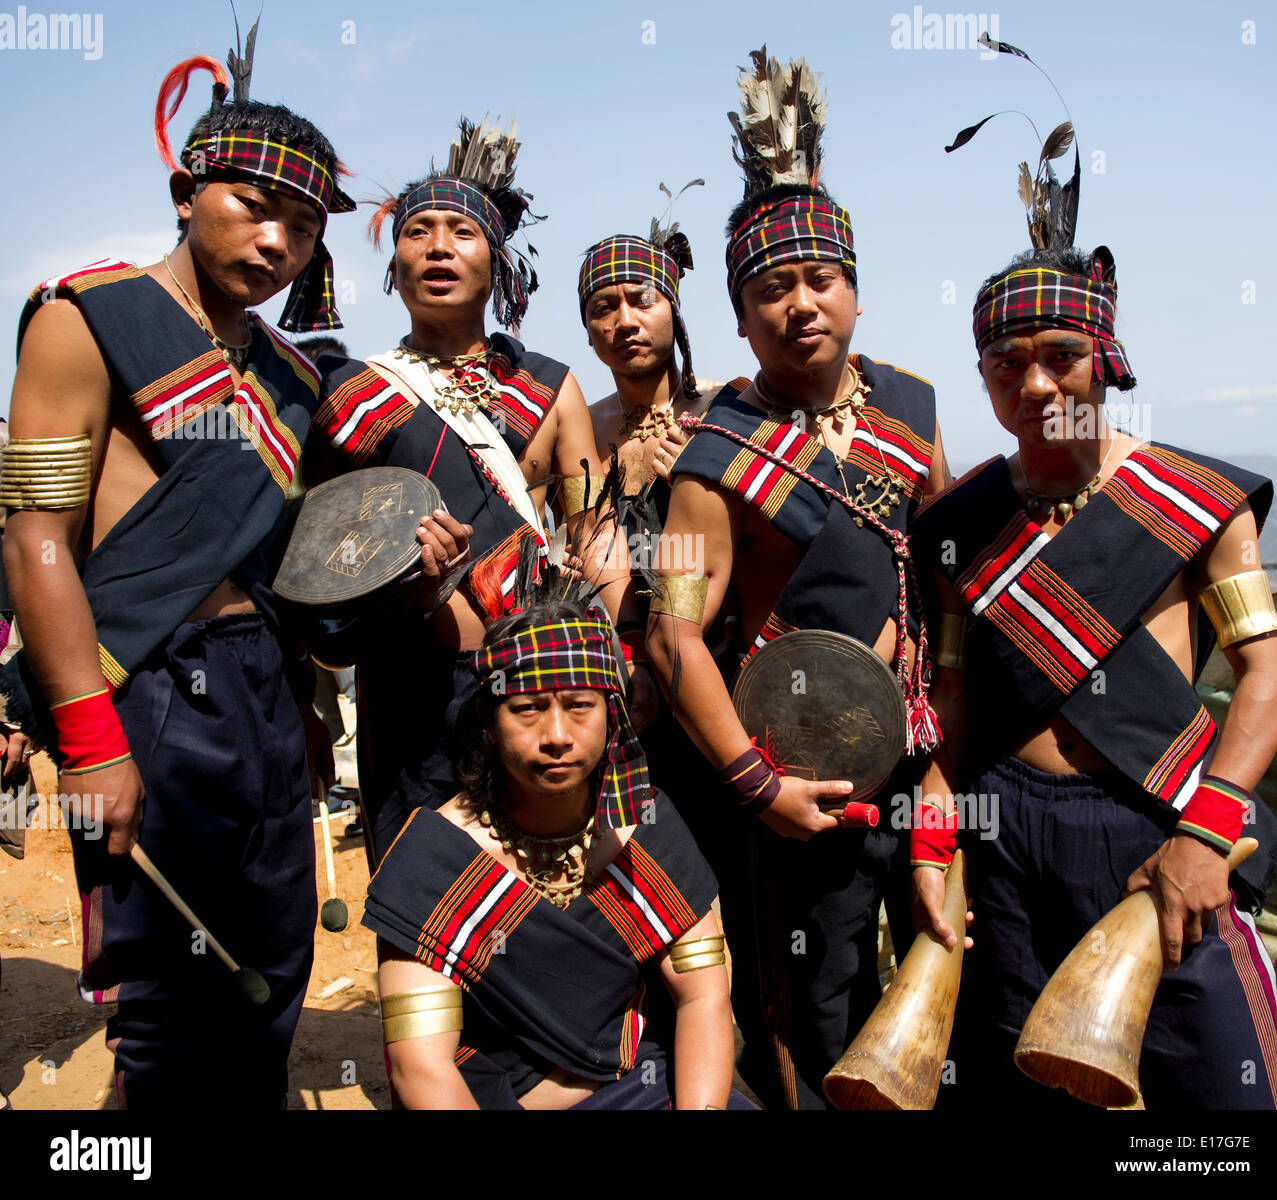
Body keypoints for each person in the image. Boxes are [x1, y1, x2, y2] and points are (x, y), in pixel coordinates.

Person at [0, 38, 366, 1107]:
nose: (277, 242)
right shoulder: (83, 318)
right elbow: (34, 540)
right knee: (165, 995)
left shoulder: (295, 376)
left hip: (260, 690)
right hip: (143, 689)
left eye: (301, 227)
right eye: (254, 207)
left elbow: (284, 562)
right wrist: (89, 736)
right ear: (183, 192)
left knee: (272, 972)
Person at [910, 240, 1277, 1110]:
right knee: (1022, 1077)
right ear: (983, 374)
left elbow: (1266, 677)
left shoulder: (1195, 501)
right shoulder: (958, 524)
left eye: (1061, 356)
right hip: (1002, 833)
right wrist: (934, 836)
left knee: (1220, 1089)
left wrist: (1206, 833)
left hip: (1156, 824)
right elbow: (953, 697)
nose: (1037, 386)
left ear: (1105, 359)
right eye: (1007, 365)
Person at [645, 48, 951, 1109]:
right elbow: (672, 639)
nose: (800, 305)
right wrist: (756, 785)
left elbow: (945, 583)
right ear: (738, 317)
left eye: (820, 280)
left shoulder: (912, 407)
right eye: (771, 288)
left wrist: (943, 751)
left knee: (935, 974)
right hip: (792, 782)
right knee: (810, 1005)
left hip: (915, 772)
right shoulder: (713, 453)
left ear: (855, 293)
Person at [309, 118, 644, 867]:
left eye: (461, 231)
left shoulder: (548, 387)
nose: (436, 247)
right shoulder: (354, 396)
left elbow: (591, 533)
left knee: (550, 888)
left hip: (546, 678)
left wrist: (630, 656)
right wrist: (401, 585)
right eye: (416, 231)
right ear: (394, 265)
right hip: (414, 684)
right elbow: (325, 563)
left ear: (499, 264)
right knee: (426, 887)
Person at [363, 580, 747, 1109]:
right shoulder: (435, 863)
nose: (557, 735)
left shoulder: (646, 825)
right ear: (487, 719)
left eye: (579, 704)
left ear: (613, 710)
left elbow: (702, 996)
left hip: (641, 1091)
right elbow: (420, 1068)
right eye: (527, 708)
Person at [579, 216, 731, 850]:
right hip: (625, 683)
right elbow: (584, 535)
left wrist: (696, 484)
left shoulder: (729, 410)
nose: (624, 321)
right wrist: (634, 657)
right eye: (603, 307)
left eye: (642, 300)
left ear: (675, 312)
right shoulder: (582, 432)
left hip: (723, 668)